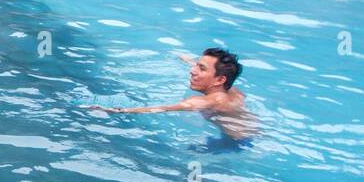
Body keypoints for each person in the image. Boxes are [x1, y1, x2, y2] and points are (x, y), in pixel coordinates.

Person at [86, 47, 256, 140]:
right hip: (251, 132)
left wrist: (118, 111)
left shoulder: (206, 101)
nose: (192, 71)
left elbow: (163, 108)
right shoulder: (231, 90)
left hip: (235, 142)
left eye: (201, 68)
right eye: (196, 65)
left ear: (219, 80)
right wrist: (187, 59)